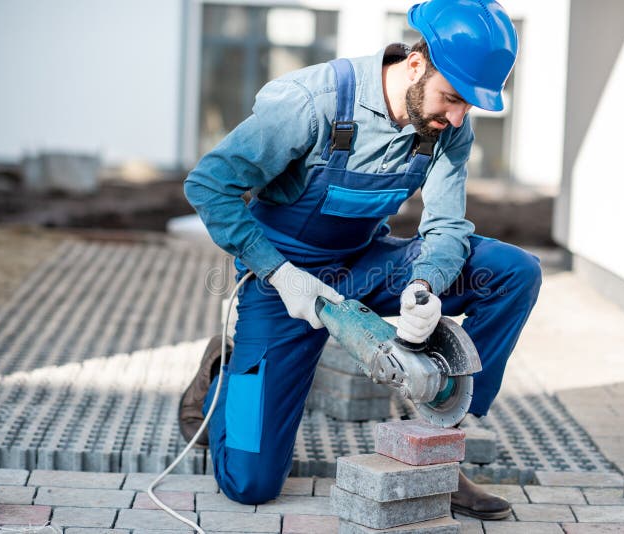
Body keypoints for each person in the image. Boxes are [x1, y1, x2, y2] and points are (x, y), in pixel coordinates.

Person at [180, 0, 541, 520]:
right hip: (284, 284)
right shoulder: (312, 102)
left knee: (515, 272)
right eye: (453, 98)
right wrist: (279, 273)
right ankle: (228, 370)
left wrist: (425, 286)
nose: (459, 117)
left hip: (366, 263)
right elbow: (209, 185)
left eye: (469, 106)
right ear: (416, 66)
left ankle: (439, 444)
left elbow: (444, 225)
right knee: (249, 483)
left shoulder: (448, 126)